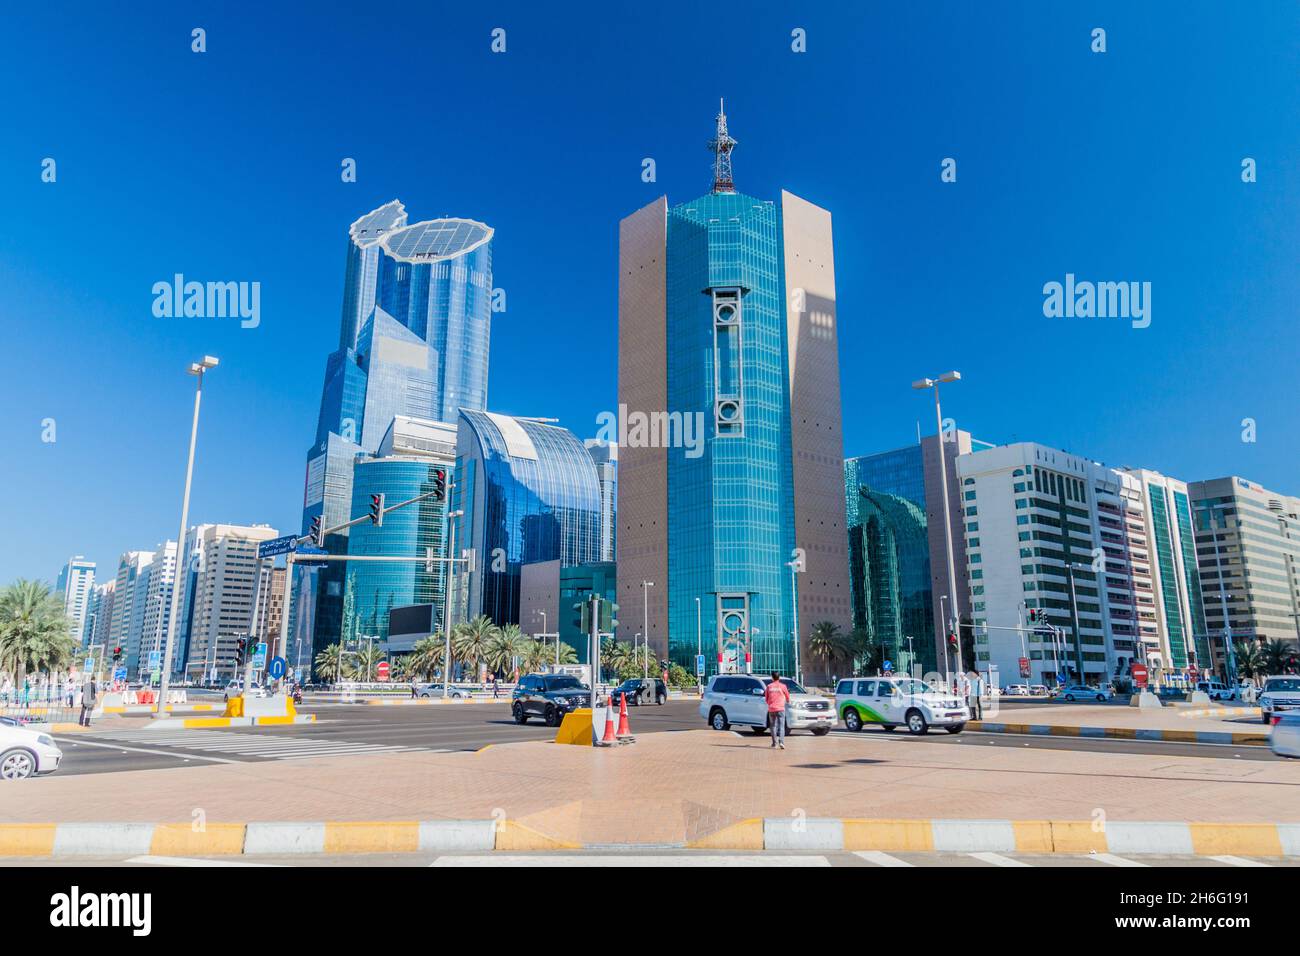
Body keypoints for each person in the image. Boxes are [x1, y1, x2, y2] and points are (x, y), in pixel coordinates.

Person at [764, 670, 791, 749]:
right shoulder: (783, 686)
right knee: (781, 726)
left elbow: (766, 698)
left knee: (773, 726)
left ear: (772, 677)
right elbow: (787, 696)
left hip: (772, 709)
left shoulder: (769, 686)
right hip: (781, 709)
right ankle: (781, 742)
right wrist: (787, 702)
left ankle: (774, 743)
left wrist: (770, 703)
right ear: (779, 677)